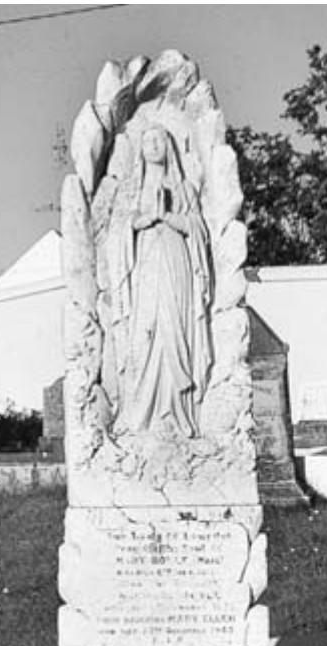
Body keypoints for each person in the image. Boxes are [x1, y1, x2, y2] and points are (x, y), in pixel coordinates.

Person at [101, 125, 213, 437]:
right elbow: (117, 232)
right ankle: (139, 413)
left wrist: (169, 218)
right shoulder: (132, 189)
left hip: (175, 261)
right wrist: (142, 220)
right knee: (145, 333)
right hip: (145, 266)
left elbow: (198, 229)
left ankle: (178, 411)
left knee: (174, 327)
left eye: (158, 140)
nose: (151, 145)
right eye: (146, 140)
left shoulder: (183, 188)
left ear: (168, 146)